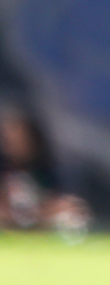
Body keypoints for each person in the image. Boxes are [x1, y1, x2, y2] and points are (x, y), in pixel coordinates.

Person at [1, 93, 89, 234]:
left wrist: (37, 214)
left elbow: (64, 203)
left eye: (16, 133)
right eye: (5, 135)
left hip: (44, 220)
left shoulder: (51, 167)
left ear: (31, 134)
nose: (8, 139)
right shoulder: (4, 165)